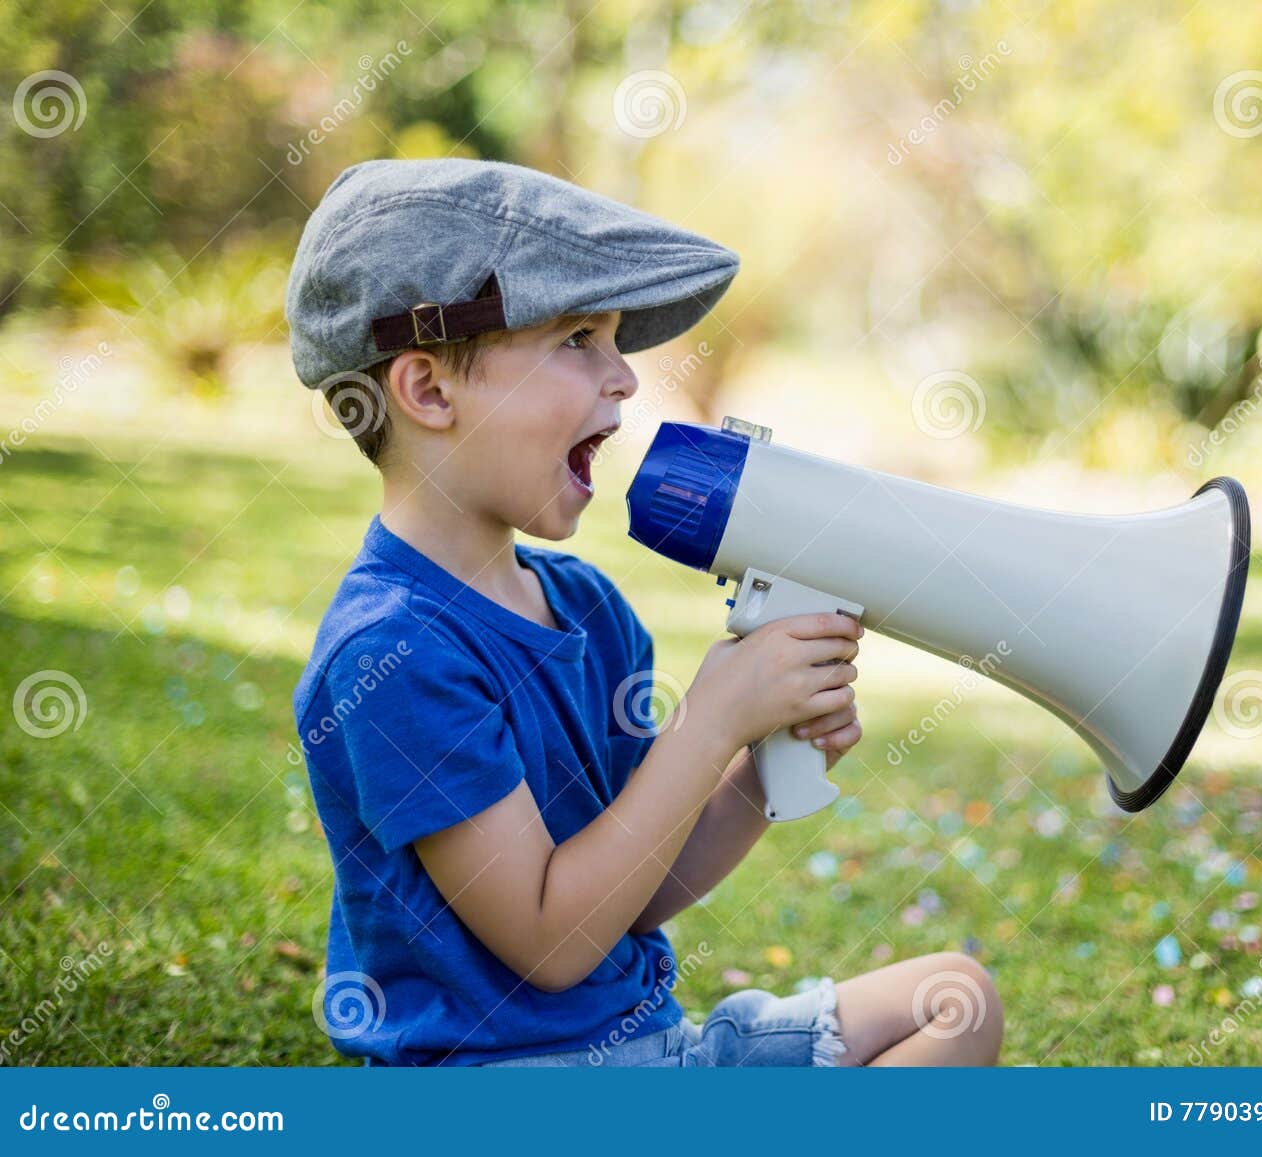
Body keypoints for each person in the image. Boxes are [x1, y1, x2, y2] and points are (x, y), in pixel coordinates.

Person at [284, 158, 1002, 1067]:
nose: (624, 378)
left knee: (956, 1001)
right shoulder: (392, 651)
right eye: (578, 339)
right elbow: (551, 941)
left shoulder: (588, 606)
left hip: (655, 1053)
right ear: (429, 390)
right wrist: (709, 721)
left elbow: (636, 885)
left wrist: (756, 760)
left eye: (616, 342)